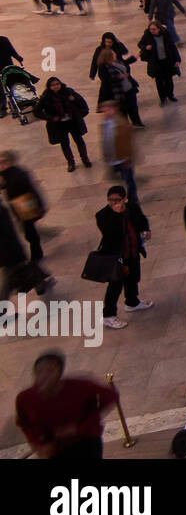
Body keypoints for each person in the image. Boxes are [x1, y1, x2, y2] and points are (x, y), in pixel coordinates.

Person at [15, 353, 120, 459]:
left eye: (50, 371)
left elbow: (111, 395)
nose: (44, 376)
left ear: (59, 373)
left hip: (85, 443)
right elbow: (24, 423)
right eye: (40, 371)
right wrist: (36, 444)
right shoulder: (25, 398)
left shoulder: (79, 387)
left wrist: (79, 427)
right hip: (53, 449)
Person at [95, 185, 153, 330]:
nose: (114, 203)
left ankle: (132, 302)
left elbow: (142, 219)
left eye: (117, 200)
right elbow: (108, 233)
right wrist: (116, 214)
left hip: (132, 252)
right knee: (115, 285)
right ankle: (108, 316)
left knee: (132, 277)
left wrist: (146, 230)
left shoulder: (132, 208)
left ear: (125, 198)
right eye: (111, 200)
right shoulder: (103, 215)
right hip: (117, 257)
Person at [33, 78, 92, 173]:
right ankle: (71, 162)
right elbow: (37, 112)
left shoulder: (69, 92)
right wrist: (51, 118)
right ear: (49, 87)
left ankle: (85, 159)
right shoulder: (46, 97)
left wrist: (78, 109)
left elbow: (82, 102)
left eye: (57, 84)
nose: (56, 86)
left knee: (79, 141)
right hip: (59, 124)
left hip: (72, 122)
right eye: (53, 85)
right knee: (64, 144)